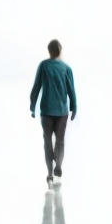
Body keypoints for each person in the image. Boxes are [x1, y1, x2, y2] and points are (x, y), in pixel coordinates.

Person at [29, 39, 77, 185]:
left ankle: (49, 173)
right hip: (62, 112)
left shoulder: (43, 66)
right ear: (60, 50)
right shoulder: (66, 68)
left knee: (47, 141)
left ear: (49, 51)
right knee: (60, 141)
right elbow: (71, 91)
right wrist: (74, 107)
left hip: (46, 111)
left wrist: (32, 106)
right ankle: (58, 166)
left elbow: (36, 87)